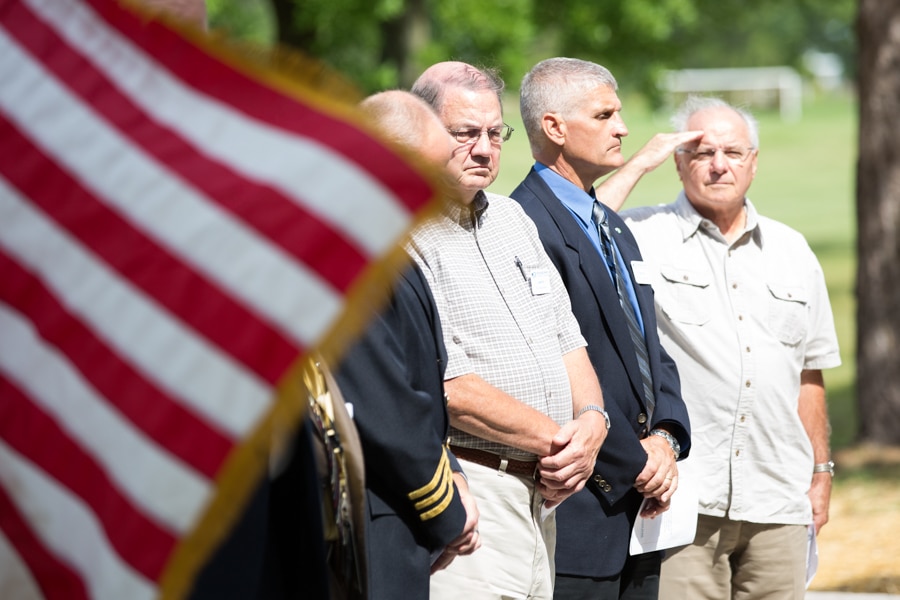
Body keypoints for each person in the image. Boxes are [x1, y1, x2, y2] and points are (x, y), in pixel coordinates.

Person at [620, 96, 841, 599]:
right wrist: (639, 162)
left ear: (754, 162)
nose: (719, 165)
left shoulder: (794, 251)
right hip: (683, 499)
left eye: (734, 152)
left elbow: (809, 374)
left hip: (779, 501)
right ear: (678, 163)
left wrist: (821, 473)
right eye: (701, 152)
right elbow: (566, 226)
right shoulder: (638, 235)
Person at [407, 61, 610, 600]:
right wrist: (564, 445)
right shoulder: (404, 236)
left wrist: (593, 422)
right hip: (474, 492)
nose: (484, 148)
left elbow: (567, 339)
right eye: (464, 133)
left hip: (543, 497)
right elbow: (449, 387)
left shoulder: (513, 219)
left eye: (495, 133)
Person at [509, 56, 695, 600]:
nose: (623, 127)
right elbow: (554, 368)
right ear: (555, 128)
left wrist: (665, 436)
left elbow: (649, 346)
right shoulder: (524, 226)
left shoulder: (609, 222)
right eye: (605, 114)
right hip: (583, 511)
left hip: (643, 513)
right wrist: (636, 462)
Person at [328, 90, 480, 600]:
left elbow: (422, 387)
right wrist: (447, 509)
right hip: (376, 514)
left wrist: (452, 474)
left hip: (397, 510)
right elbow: (384, 405)